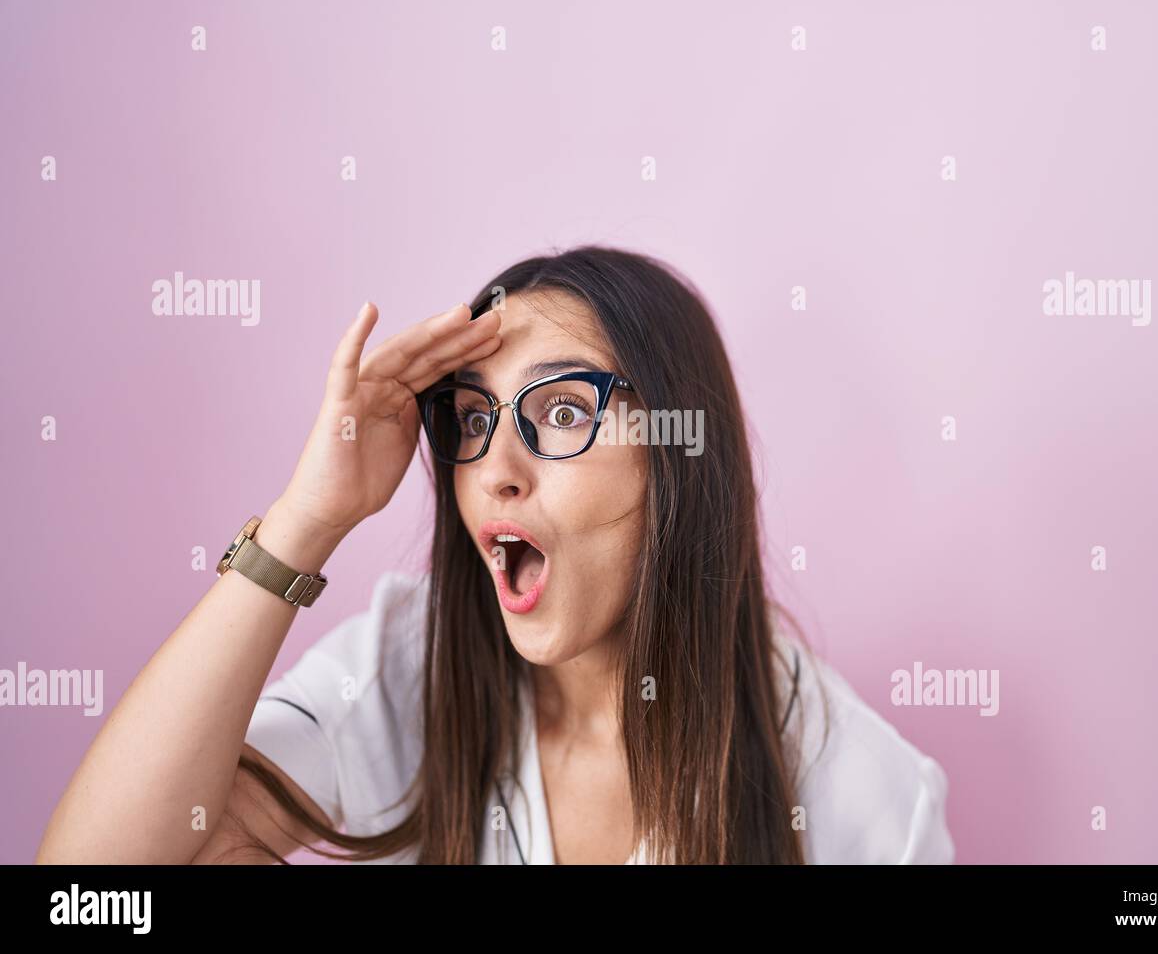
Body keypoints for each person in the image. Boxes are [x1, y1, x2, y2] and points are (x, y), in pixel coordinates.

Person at [36, 245, 955, 865]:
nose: (496, 472)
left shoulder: (865, 795)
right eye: (474, 420)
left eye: (561, 412)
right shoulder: (404, 670)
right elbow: (92, 881)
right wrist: (307, 520)